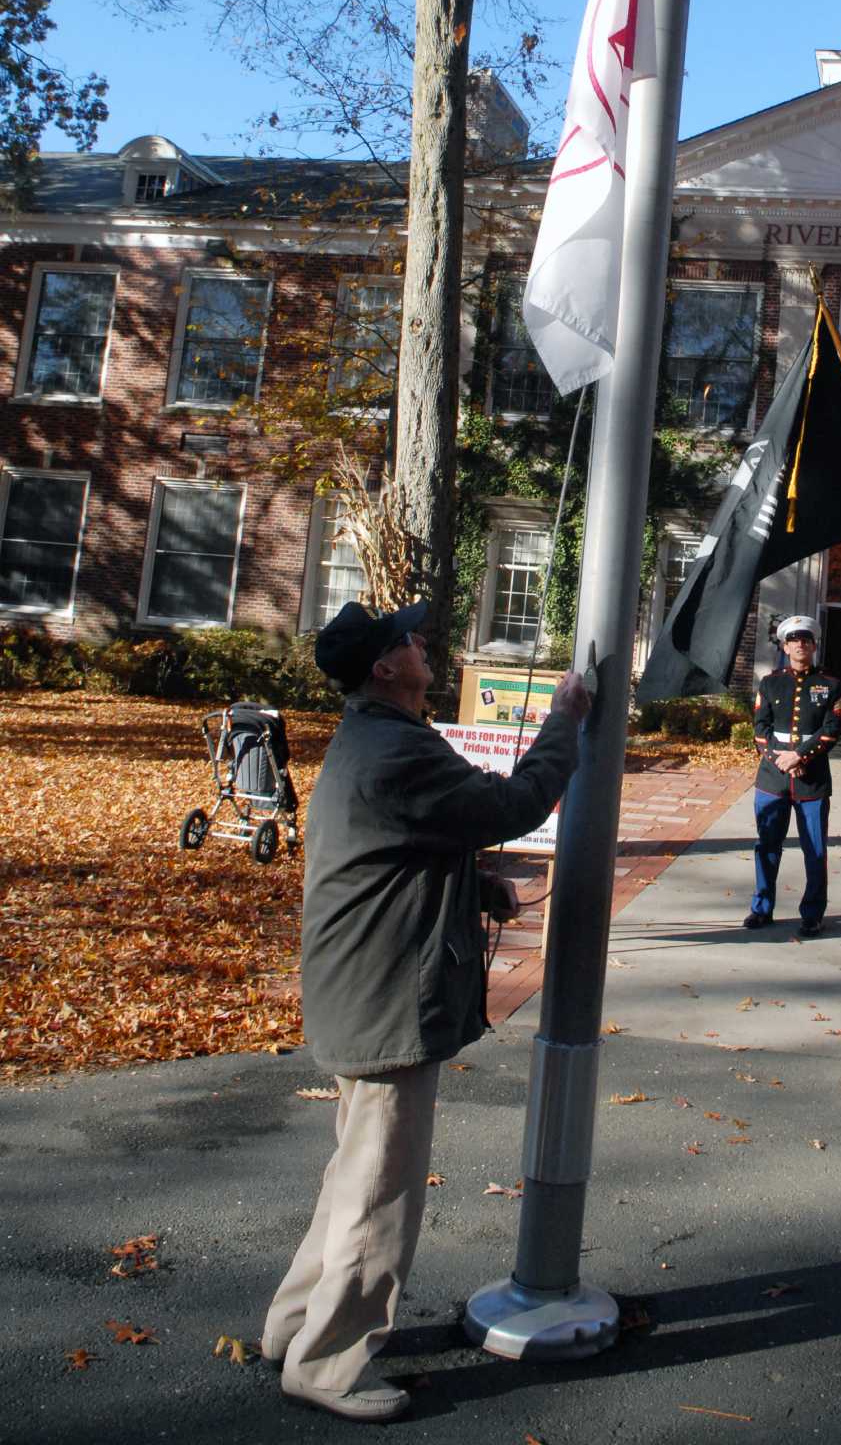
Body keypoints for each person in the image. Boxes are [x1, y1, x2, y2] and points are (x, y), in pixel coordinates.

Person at [262, 599, 590, 1423]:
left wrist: (473, 887)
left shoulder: (378, 739)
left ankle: (293, 1328)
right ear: (383, 669)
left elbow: (396, 847)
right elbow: (515, 804)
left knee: (354, 1176)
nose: (420, 644)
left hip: (361, 990)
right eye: (407, 640)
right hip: (382, 999)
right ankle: (327, 1366)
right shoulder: (390, 749)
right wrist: (565, 721)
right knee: (379, 1193)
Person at [746, 614, 841, 935]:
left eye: (806, 640)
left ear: (814, 645)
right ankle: (762, 908)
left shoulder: (830, 684)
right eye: (794, 640)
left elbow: (832, 729)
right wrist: (781, 759)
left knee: (814, 849)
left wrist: (800, 756)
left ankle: (813, 913)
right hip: (773, 778)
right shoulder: (771, 682)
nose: (800, 645)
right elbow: (760, 729)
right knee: (767, 845)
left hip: (811, 778)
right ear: (785, 646)